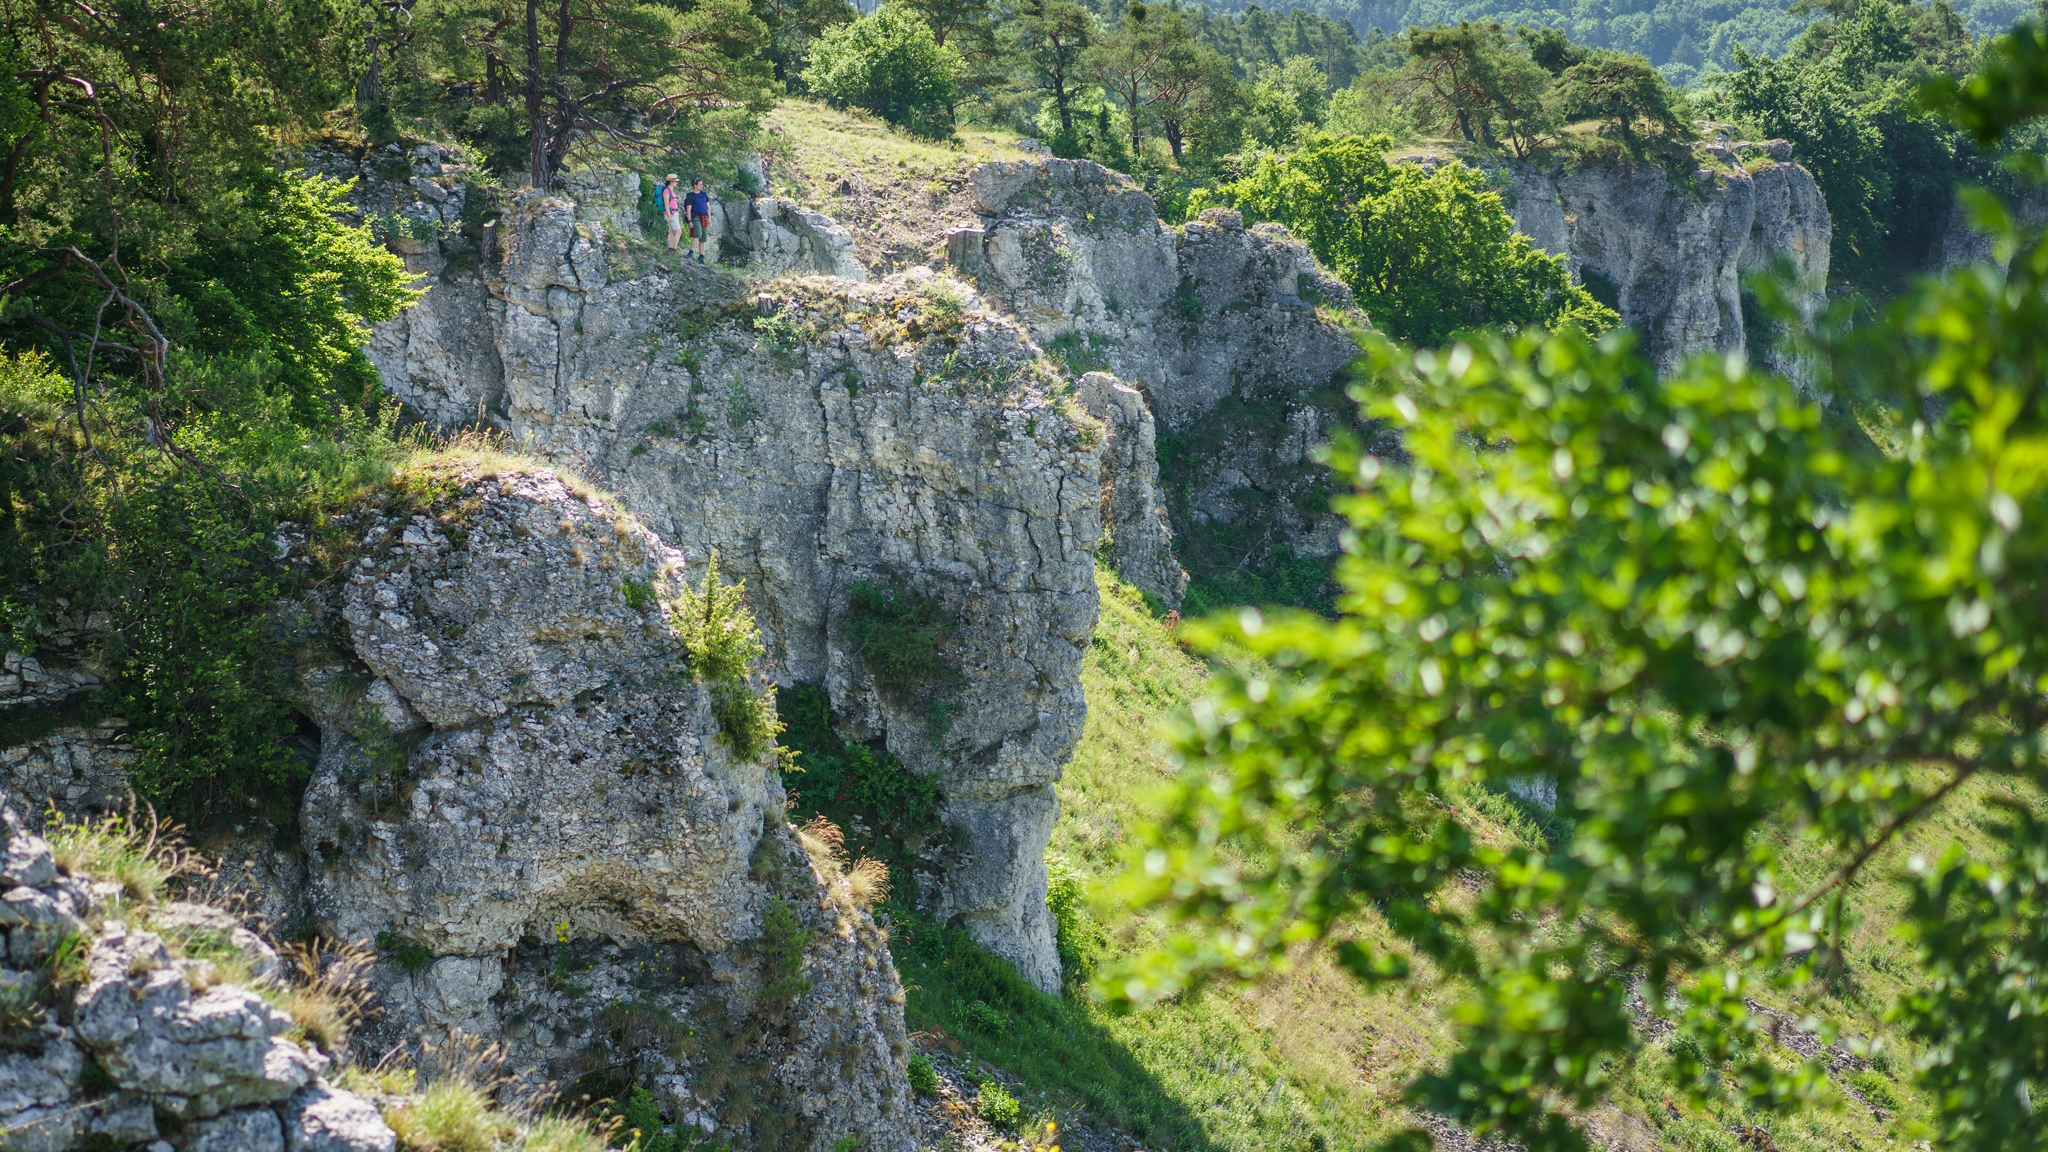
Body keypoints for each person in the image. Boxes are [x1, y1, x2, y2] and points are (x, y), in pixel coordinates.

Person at [686, 178, 712, 264]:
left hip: (704, 217)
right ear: (695, 185)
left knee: (703, 238)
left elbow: (708, 207)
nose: (702, 186)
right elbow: (688, 210)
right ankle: (690, 252)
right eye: (700, 184)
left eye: (702, 184)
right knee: (698, 235)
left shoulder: (704, 195)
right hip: (695, 217)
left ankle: (701, 256)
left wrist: (709, 218)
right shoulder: (690, 197)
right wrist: (689, 221)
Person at [659, 174, 682, 252]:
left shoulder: (671, 190)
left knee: (671, 231)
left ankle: (670, 249)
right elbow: (666, 204)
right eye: (675, 181)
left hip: (674, 213)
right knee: (678, 231)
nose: (677, 183)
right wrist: (669, 215)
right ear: (671, 181)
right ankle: (674, 249)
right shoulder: (667, 191)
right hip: (671, 214)